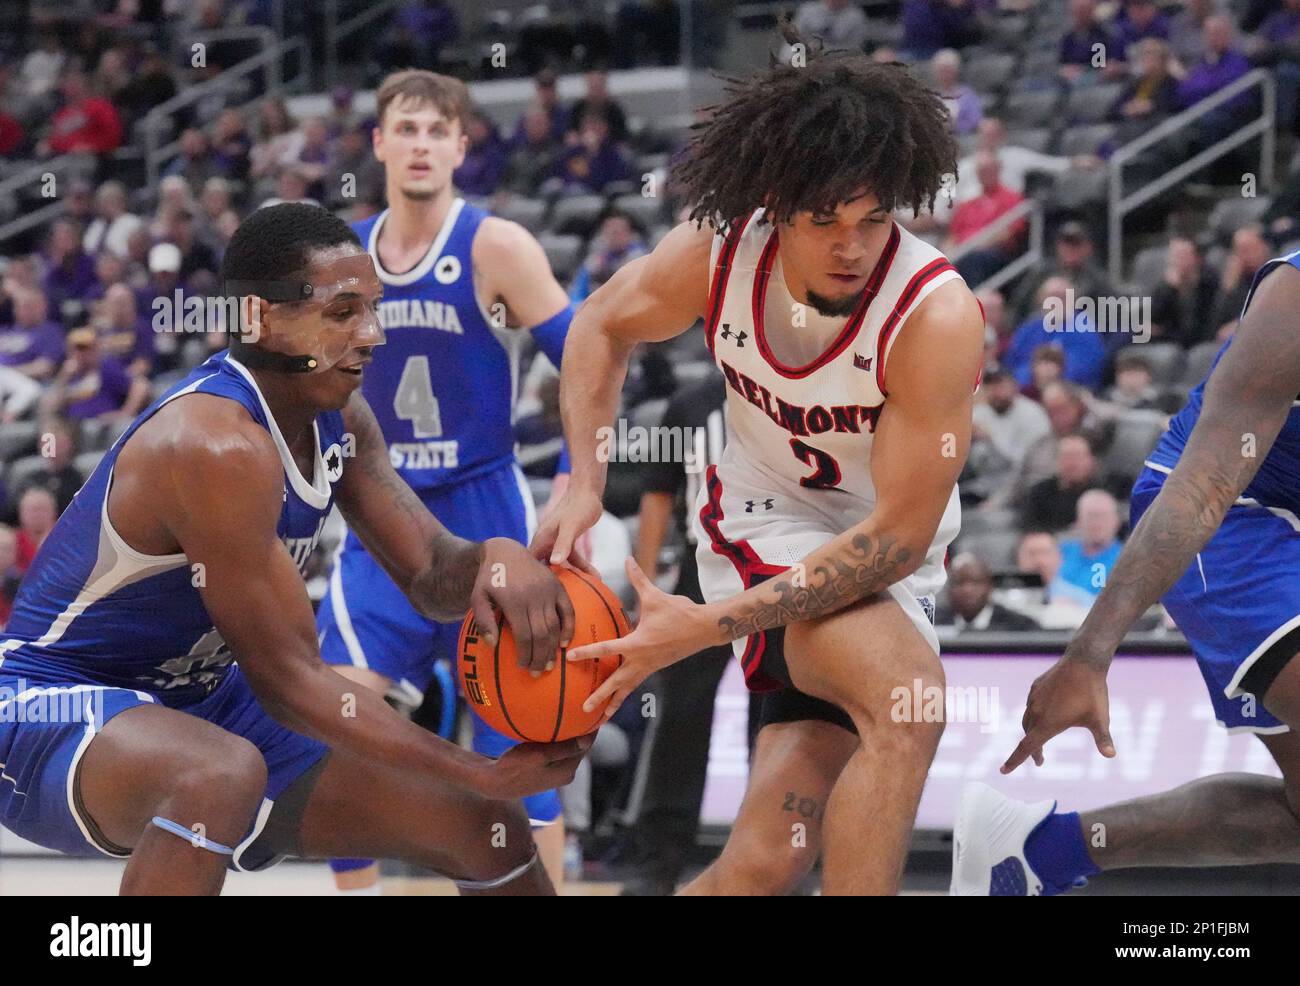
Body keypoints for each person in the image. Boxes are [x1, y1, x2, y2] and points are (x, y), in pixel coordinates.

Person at [0, 203, 587, 896]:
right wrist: (472, 764)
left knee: (485, 825)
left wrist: (494, 556)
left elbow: (431, 573)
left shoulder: (338, 415)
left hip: (203, 701)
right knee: (218, 775)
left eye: (372, 308)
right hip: (50, 701)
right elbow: (292, 681)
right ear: (258, 318)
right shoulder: (211, 444)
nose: (371, 335)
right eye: (342, 312)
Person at [536, 43, 985, 895]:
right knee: (908, 700)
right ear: (775, 207)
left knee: (769, 857)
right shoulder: (717, 251)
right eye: (825, 221)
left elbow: (896, 539)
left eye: (874, 218)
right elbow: (598, 324)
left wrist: (707, 628)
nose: (852, 246)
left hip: (886, 556)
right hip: (759, 522)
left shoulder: (935, 315)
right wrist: (586, 483)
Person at [953, 245, 1300, 896]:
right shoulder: (1295, 297)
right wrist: (1089, 653)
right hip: (1231, 513)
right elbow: (1205, 486)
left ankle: (1037, 852)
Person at [314, 70, 578, 893]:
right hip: (383, 528)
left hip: (485, 522)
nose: (422, 143)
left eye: (438, 130)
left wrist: (578, 474)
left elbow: (586, 361)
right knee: (333, 731)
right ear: (380, 143)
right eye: (408, 128)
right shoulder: (339, 259)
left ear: (462, 147)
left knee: (519, 753)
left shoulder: (495, 245)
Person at [618, 376, 748, 895]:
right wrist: (646, 585)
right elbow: (657, 492)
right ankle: (659, 863)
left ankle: (784, 854)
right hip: (706, 568)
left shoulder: (797, 391)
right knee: (681, 718)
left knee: (780, 718)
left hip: (785, 568)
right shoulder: (689, 403)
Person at [935, 553, 1041, 633]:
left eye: (975, 582)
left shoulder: (1021, 627)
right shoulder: (933, 623)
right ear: (947, 589)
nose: (967, 590)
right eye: (959, 582)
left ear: (990, 587)